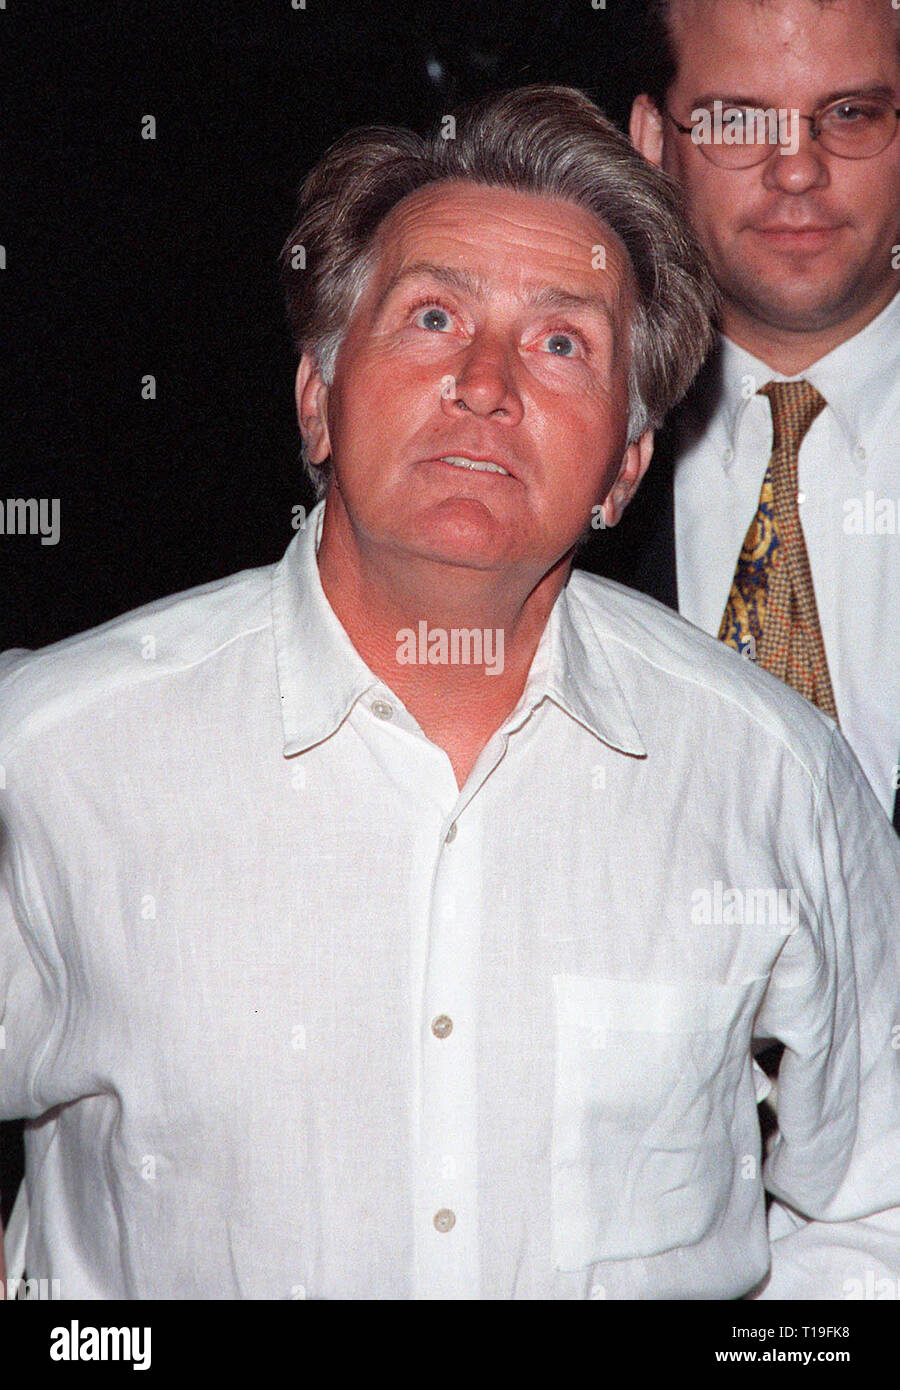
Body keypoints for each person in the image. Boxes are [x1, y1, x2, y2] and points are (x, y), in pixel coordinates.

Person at [0, 86, 897, 1300]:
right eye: (433, 317)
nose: (485, 382)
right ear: (317, 397)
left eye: (562, 343)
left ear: (626, 465)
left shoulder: (772, 775)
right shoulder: (56, 753)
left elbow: (877, 1202)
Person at [598, 0, 900, 828]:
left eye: (850, 114)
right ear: (652, 140)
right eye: (736, 121)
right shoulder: (554, 446)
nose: (796, 171)